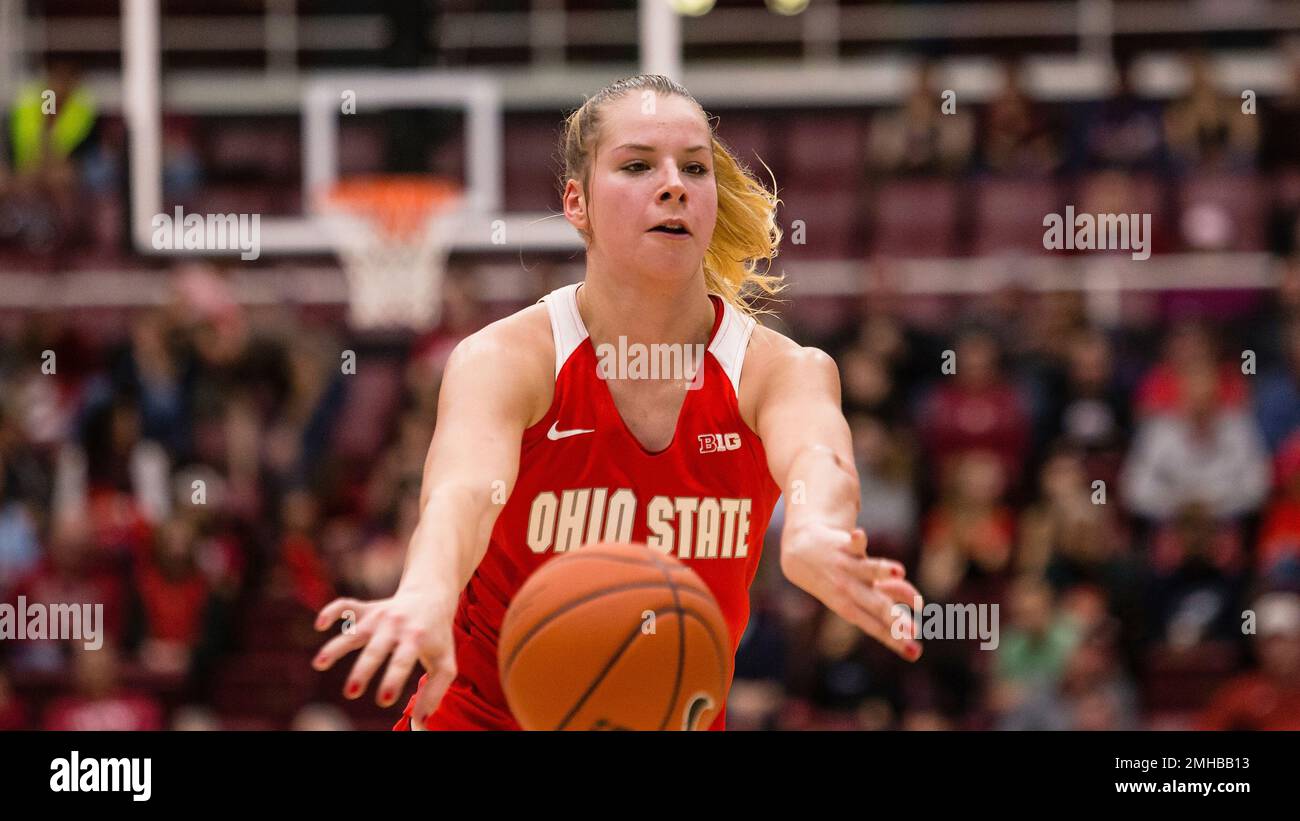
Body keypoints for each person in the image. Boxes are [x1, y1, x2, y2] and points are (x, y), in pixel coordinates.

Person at [310, 74, 924, 731]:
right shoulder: (508, 359)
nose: (674, 184)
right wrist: (428, 588)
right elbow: (462, 495)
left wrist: (815, 529)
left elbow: (817, 457)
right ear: (576, 203)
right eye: (637, 165)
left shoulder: (779, 370)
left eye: (695, 167)